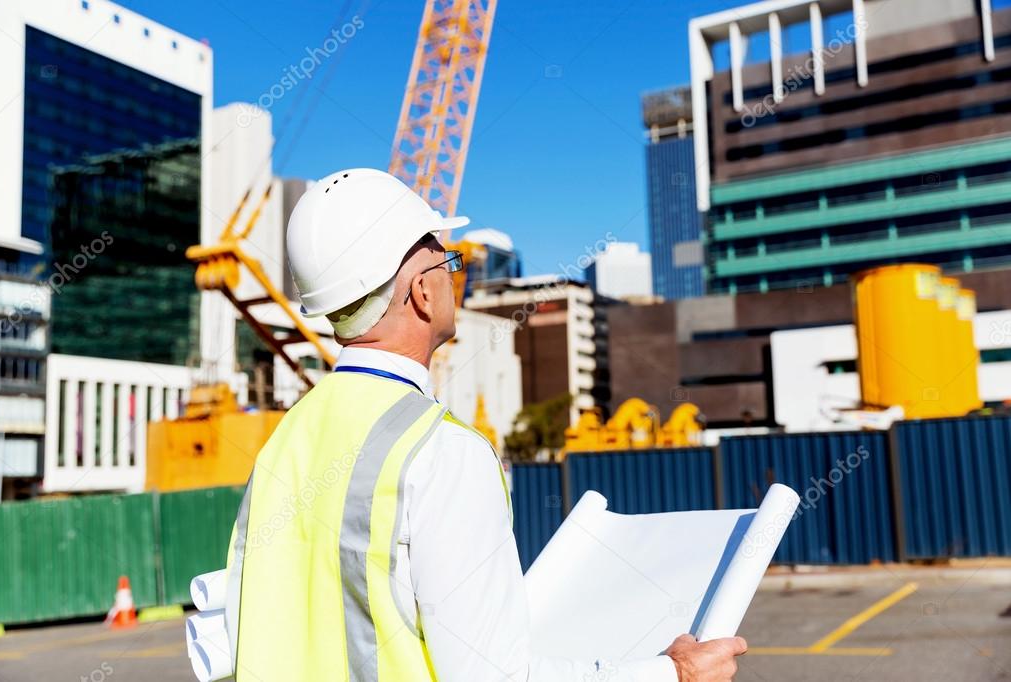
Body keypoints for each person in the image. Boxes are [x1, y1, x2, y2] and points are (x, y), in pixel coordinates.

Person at [222, 168, 748, 681]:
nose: (455, 275)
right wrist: (672, 674)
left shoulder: (284, 440)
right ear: (422, 293)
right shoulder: (439, 451)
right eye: (446, 260)